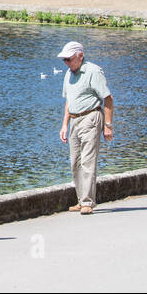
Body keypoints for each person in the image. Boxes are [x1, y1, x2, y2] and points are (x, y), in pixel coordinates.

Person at [57, 41, 113, 214]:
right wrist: (64, 124)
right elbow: (69, 100)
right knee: (75, 162)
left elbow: (108, 99)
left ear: (80, 56)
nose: (66, 62)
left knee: (88, 160)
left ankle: (88, 202)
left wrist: (108, 126)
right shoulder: (68, 74)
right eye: (64, 60)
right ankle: (81, 200)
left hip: (91, 117)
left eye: (68, 59)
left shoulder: (93, 71)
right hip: (74, 120)